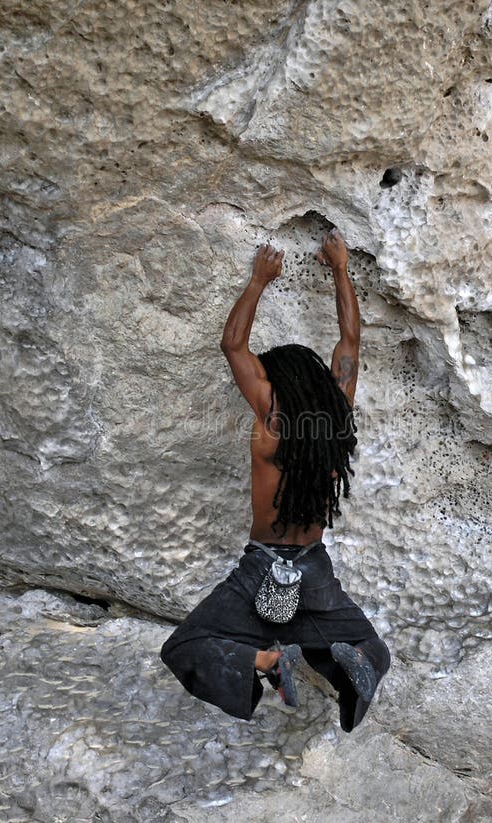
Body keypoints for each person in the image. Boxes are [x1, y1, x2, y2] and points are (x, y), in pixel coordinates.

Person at [160, 228, 391, 732]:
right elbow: (350, 340)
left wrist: (259, 280)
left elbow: (232, 344)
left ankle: (265, 662)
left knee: (186, 646)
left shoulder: (270, 412)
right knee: (372, 646)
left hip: (259, 568)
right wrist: (339, 270)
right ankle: (352, 658)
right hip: (313, 571)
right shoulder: (335, 412)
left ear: (276, 379)